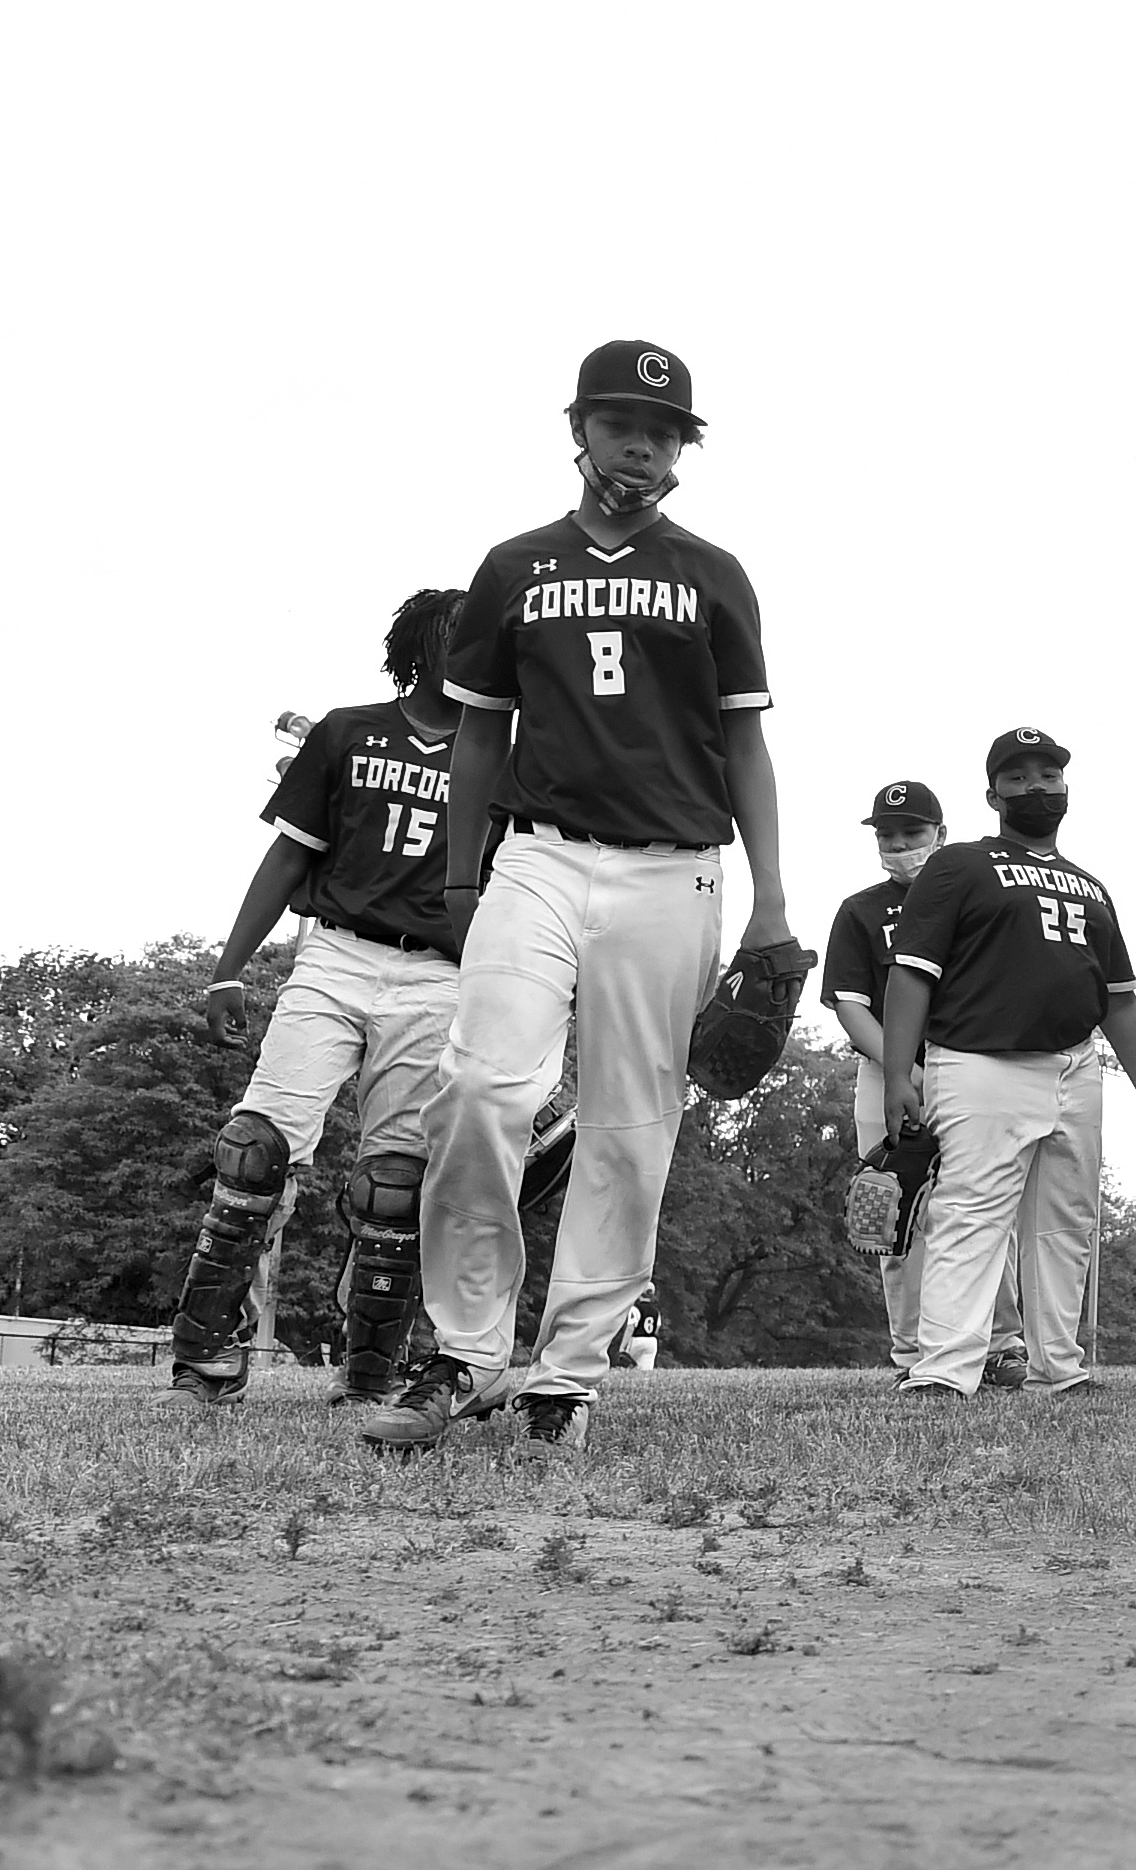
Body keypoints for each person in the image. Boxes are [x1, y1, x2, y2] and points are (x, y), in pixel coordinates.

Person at [363, 340, 792, 1457]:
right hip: (539, 857)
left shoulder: (714, 572)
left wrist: (773, 901)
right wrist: (462, 876)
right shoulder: (515, 566)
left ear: (683, 449)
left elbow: (744, 744)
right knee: (479, 1088)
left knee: (629, 1124)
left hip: (673, 865)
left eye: (662, 430)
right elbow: (477, 734)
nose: (640, 443)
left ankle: (565, 1376)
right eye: (619, 423)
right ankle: (458, 1349)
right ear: (579, 429)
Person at [153, 588, 468, 1412]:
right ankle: (203, 1356)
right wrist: (228, 969)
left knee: (395, 1179)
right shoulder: (347, 730)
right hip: (335, 952)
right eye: (461, 637)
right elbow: (289, 856)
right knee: (255, 1145)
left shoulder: (511, 755)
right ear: (423, 647)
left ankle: (370, 1373)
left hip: (444, 973)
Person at [881, 729, 1136, 1398]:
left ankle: (1058, 1367)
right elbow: (910, 974)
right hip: (980, 1059)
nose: (1035, 787)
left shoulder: (1090, 886)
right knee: (971, 1214)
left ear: (1066, 789)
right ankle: (943, 1370)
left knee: (1067, 1223)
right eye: (1018, 777)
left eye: (1047, 774)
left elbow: (1121, 1004)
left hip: (1076, 1064)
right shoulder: (960, 863)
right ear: (993, 794)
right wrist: (896, 1071)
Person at [823, 780, 1025, 1388]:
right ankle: (913, 1351)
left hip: (972, 1062)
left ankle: (1001, 1344)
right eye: (887, 835)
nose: (898, 844)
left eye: (911, 832)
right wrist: (902, 1065)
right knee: (893, 1210)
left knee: (982, 1207)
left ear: (940, 832)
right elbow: (850, 1005)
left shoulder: (979, 894)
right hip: (888, 1067)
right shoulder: (861, 909)